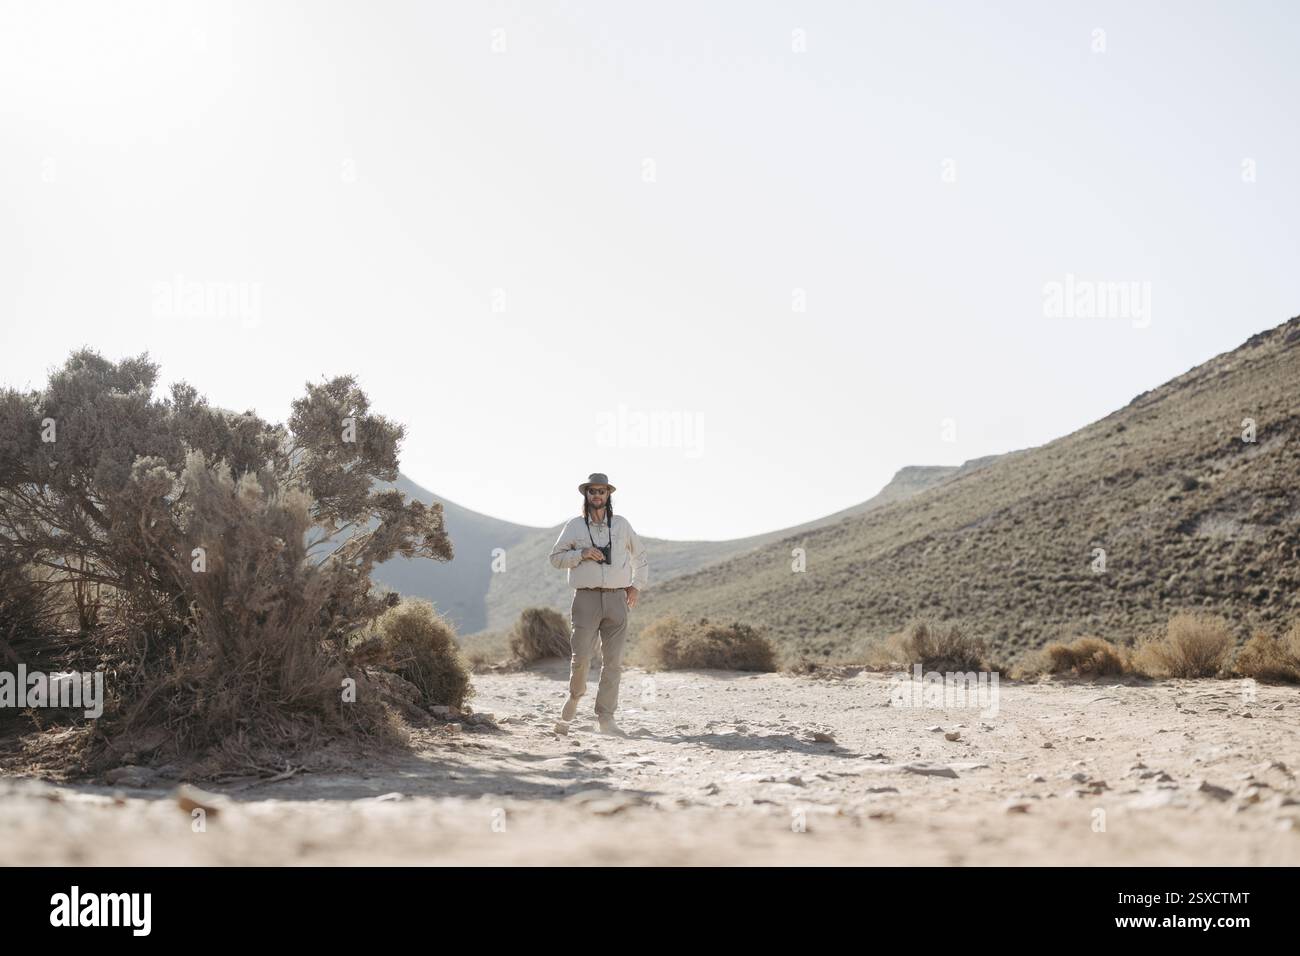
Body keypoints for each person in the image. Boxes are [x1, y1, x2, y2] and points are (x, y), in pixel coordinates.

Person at [548, 472, 649, 735]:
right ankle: (573, 699)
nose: (597, 495)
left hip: (618, 599)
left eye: (601, 491)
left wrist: (636, 586)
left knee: (613, 662)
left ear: (608, 495)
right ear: (586, 495)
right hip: (586, 598)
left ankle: (606, 719)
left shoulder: (622, 525)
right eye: (592, 491)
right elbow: (555, 558)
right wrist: (580, 554)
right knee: (581, 656)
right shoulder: (575, 526)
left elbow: (641, 556)